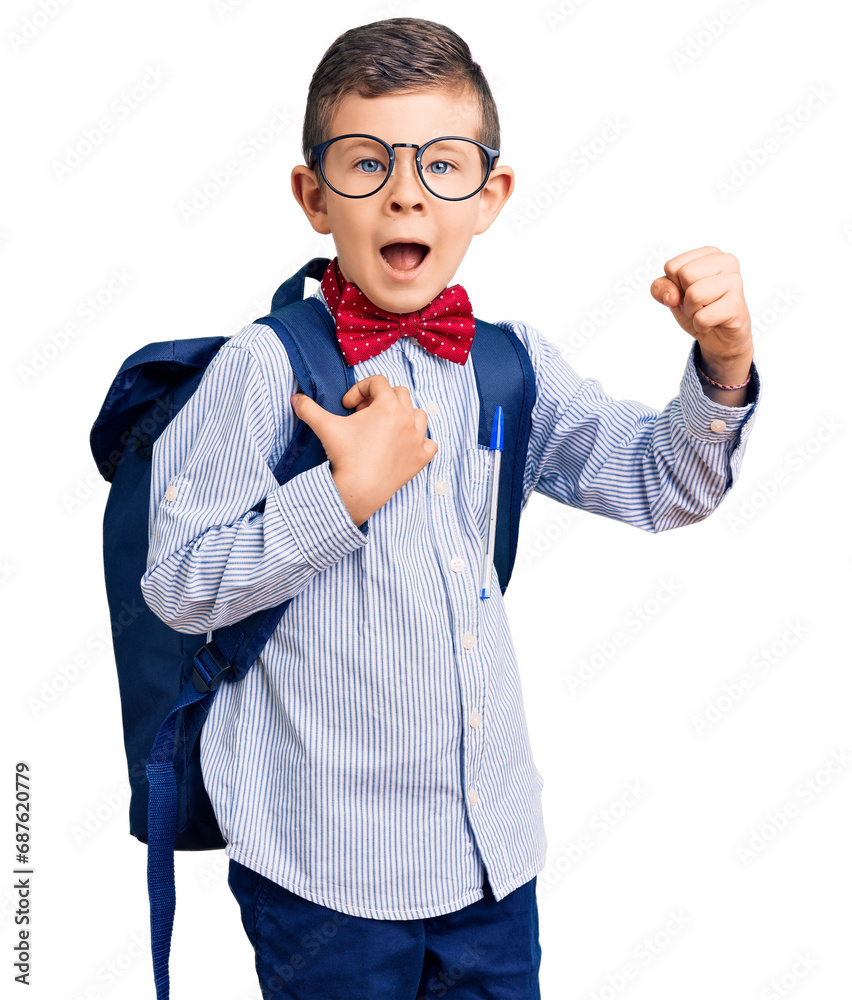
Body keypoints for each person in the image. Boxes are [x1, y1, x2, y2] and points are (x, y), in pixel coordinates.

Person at [140, 16, 760, 999]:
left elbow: (665, 482)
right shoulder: (266, 365)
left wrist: (722, 365)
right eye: (365, 162)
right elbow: (176, 583)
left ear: (490, 195)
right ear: (312, 197)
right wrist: (341, 496)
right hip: (324, 871)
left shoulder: (508, 363)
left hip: (490, 859)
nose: (404, 190)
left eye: (442, 163)